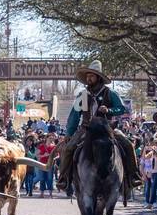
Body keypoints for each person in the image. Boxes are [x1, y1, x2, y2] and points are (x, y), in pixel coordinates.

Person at [56, 60, 140, 193]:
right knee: (68, 148)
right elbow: (74, 116)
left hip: (106, 129)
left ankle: (133, 176)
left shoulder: (110, 93)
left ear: (98, 78)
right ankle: (64, 178)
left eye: (92, 76)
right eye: (87, 76)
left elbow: (121, 109)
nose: (89, 78)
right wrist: (69, 133)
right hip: (86, 129)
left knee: (128, 145)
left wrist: (109, 110)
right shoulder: (83, 96)